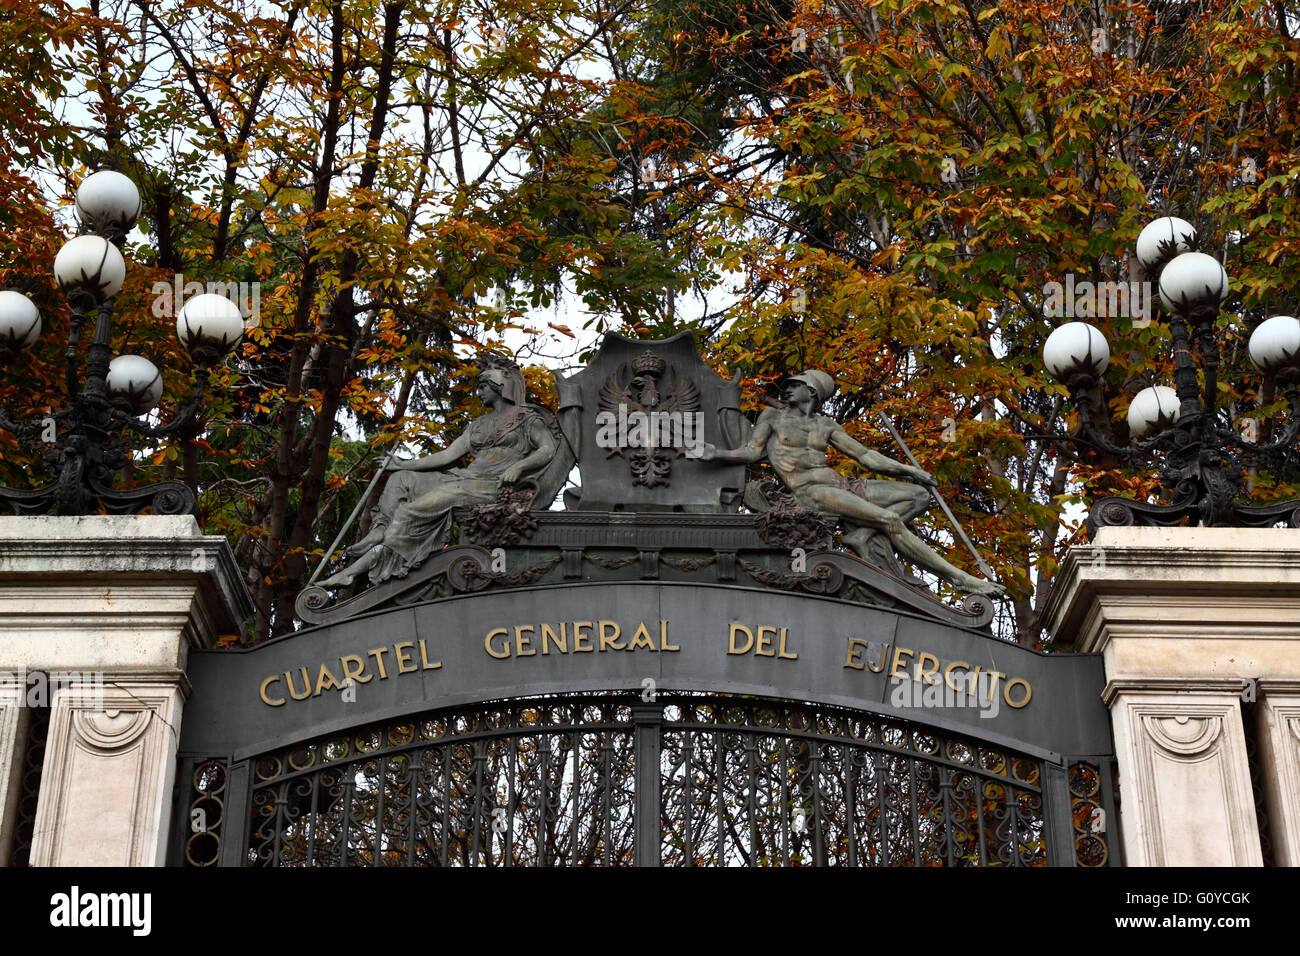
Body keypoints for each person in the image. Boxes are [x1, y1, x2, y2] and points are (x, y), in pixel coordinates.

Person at [700, 370, 1004, 597]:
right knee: (891, 518)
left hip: (841, 485)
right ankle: (960, 578)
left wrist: (912, 471)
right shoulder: (773, 417)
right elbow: (752, 451)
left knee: (919, 496)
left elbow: (867, 456)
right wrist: (719, 454)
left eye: (796, 385)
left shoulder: (826, 425)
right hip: (812, 493)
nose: (788, 388)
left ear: (812, 391)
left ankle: (862, 535)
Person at [318, 363, 558, 588]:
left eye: (483, 387)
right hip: (464, 478)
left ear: (499, 386)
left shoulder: (526, 418)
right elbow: (447, 456)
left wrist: (520, 466)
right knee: (401, 479)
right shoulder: (478, 425)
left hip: (491, 486)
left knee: (412, 510)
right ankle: (381, 530)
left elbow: (548, 448)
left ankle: (361, 567)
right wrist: (403, 463)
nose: (478, 393)